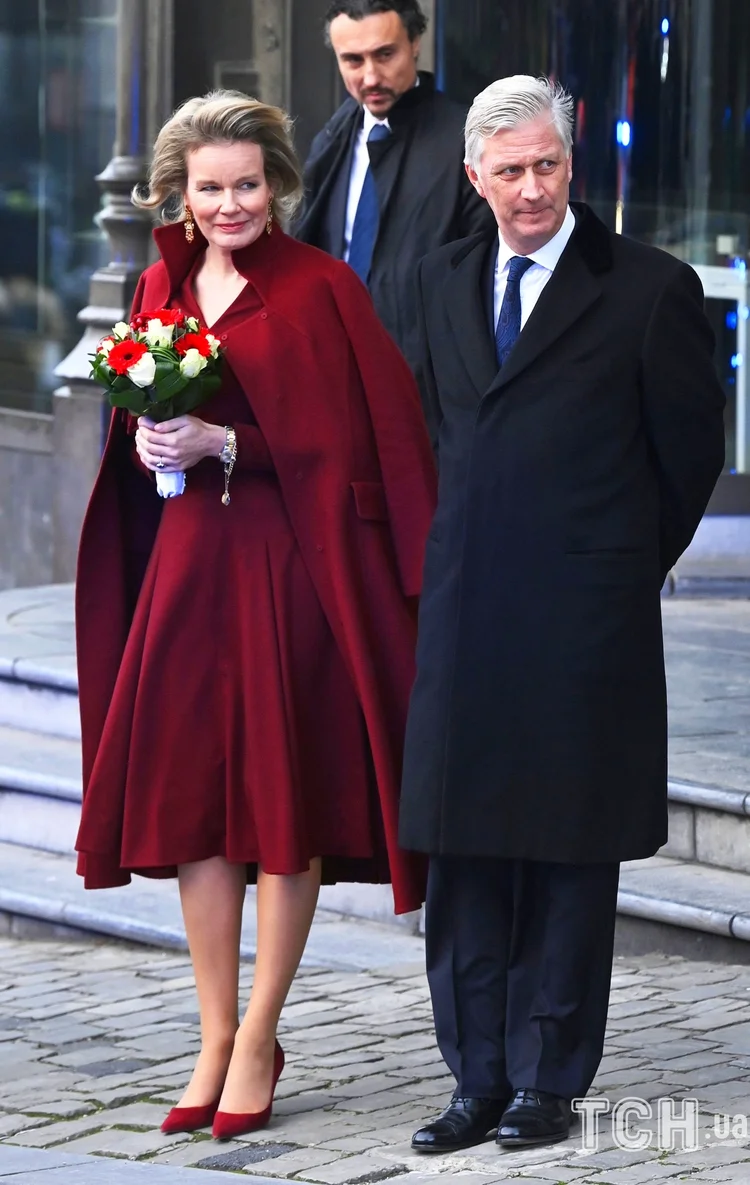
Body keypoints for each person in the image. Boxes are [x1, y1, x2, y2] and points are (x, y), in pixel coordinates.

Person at [74, 90, 436, 1143]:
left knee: (282, 813)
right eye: (210, 188)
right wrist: (148, 445)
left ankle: (259, 1035)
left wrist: (229, 445)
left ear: (276, 185)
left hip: (288, 570)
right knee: (195, 808)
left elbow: (370, 444)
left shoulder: (325, 290)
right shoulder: (158, 282)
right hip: (187, 569)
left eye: (247, 185)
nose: (230, 204)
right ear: (178, 194)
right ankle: (213, 1029)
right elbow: (140, 418)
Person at [399, 75, 726, 1154]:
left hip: (586, 625)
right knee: (464, 855)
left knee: (569, 857)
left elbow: (687, 463)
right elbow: (435, 443)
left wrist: (615, 569)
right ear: (474, 178)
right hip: (464, 617)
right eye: (510, 171)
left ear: (571, 166)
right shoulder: (440, 283)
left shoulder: (648, 287)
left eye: (547, 166)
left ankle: (548, 1080)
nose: (532, 188)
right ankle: (475, 1079)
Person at [293, 0, 493, 384]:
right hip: (333, 371)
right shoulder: (332, 138)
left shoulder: (466, 142)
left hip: (427, 385)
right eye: (353, 60)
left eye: (385, 54)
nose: (370, 77)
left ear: (415, 42)